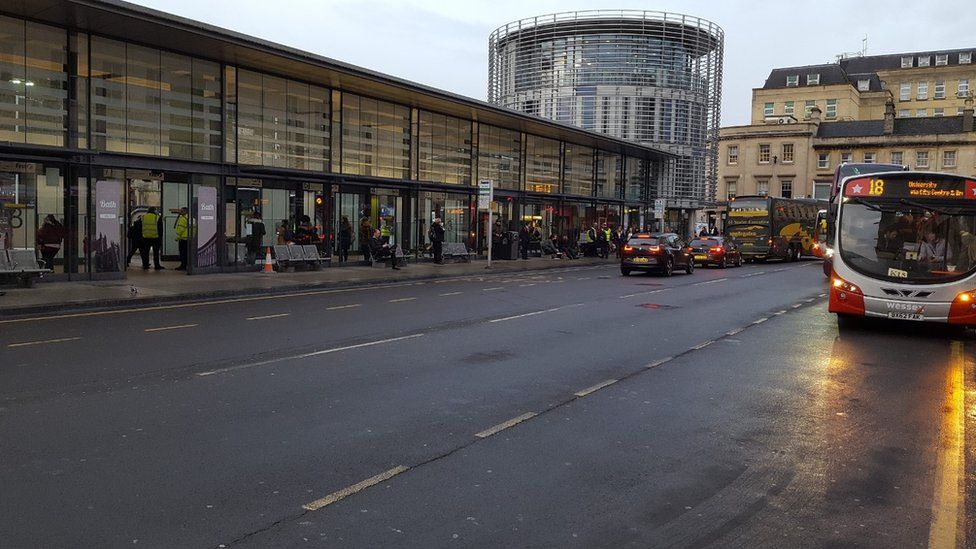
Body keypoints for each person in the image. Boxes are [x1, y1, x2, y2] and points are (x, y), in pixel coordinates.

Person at [140, 206, 164, 270]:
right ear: (154, 211)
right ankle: (157, 265)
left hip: (145, 237)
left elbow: (140, 227)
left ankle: (145, 265)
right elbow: (160, 229)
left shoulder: (143, 217)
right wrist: (160, 237)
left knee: (145, 252)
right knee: (156, 253)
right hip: (155, 237)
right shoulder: (157, 217)